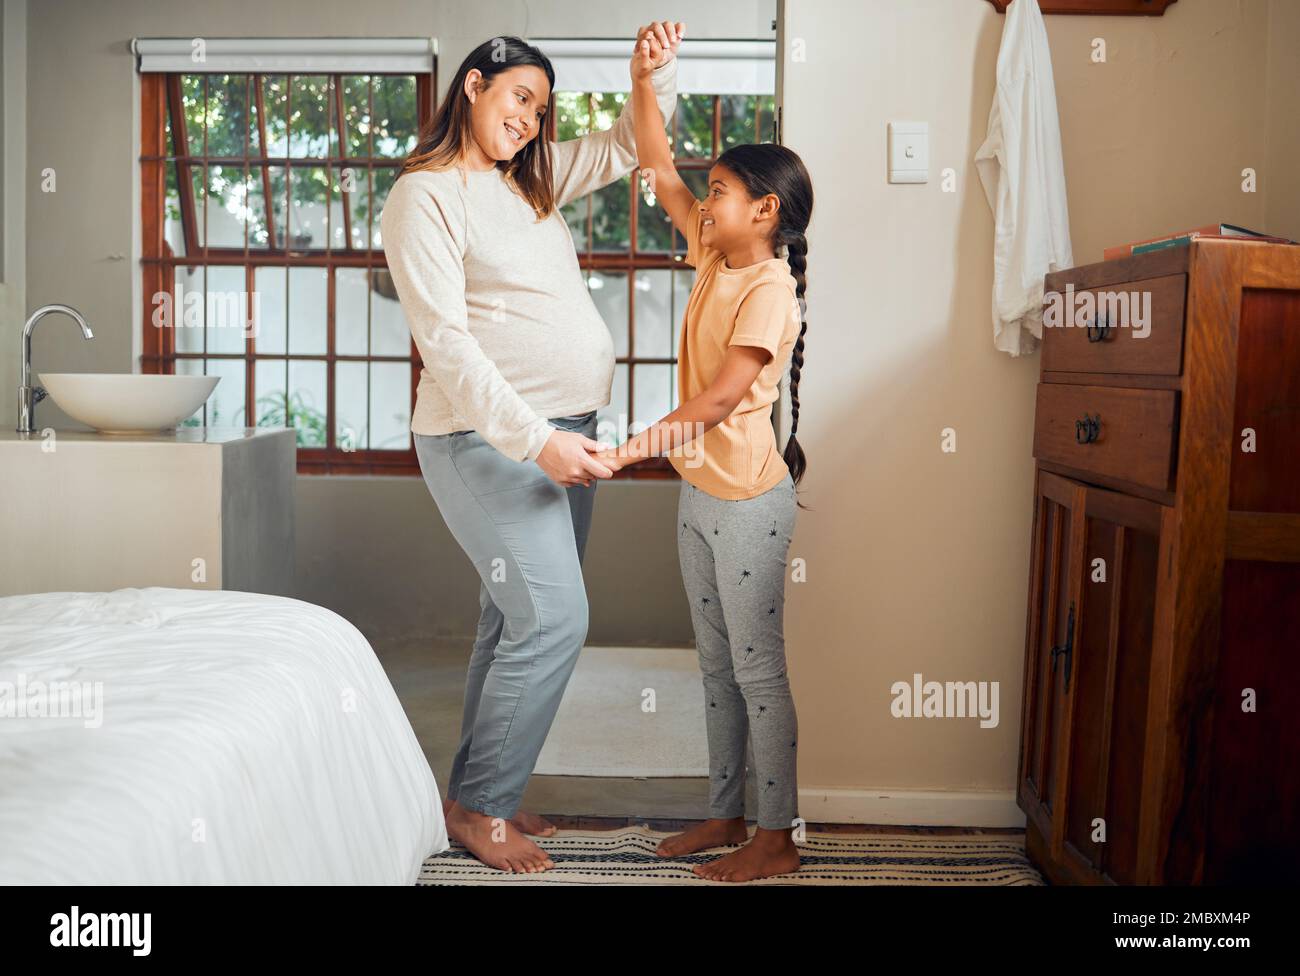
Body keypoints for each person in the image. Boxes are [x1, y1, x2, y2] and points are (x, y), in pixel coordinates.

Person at [380, 23, 685, 874]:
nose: (530, 120)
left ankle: (480, 795)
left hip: (565, 433)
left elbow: (633, 143)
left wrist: (645, 74)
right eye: (520, 97)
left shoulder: (531, 183)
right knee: (553, 618)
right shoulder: (424, 196)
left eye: (542, 110)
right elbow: (446, 343)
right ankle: (482, 810)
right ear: (473, 84)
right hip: (484, 441)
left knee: (510, 618)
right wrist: (538, 439)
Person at [594, 31, 814, 882]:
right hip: (699, 497)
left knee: (759, 671)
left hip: (750, 507)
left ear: (764, 210)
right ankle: (727, 814)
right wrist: (643, 78)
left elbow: (722, 400)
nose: (704, 200)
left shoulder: (769, 287)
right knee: (717, 668)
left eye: (719, 191)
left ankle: (777, 837)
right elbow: (655, 166)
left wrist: (625, 454)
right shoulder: (713, 255)